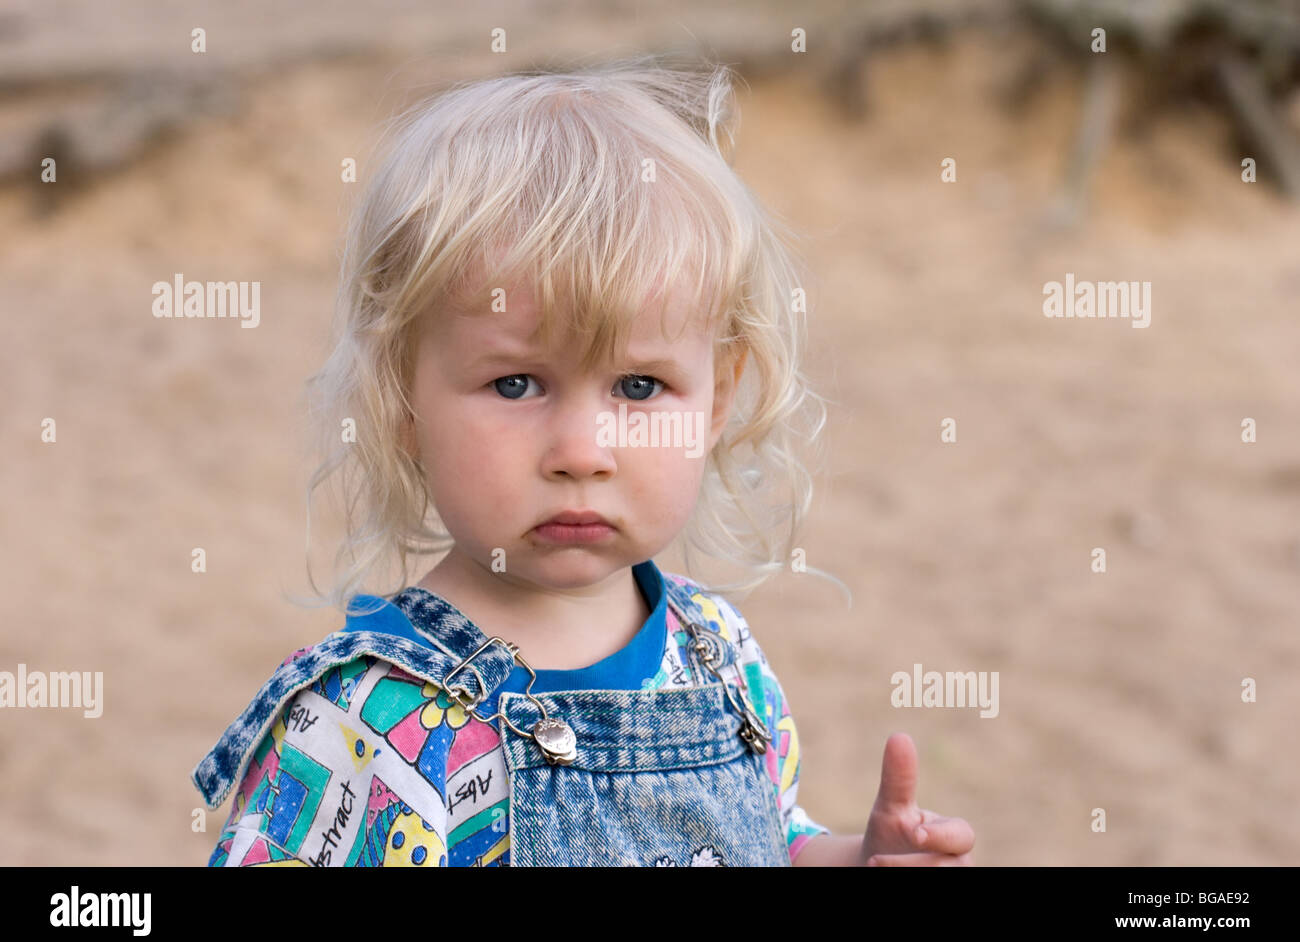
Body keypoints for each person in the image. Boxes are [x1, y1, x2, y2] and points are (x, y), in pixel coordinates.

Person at [191, 54, 975, 867]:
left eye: (640, 386)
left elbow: (769, 840)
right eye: (516, 382)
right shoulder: (366, 722)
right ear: (403, 403)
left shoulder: (717, 650)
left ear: (715, 401)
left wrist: (853, 859)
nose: (581, 452)